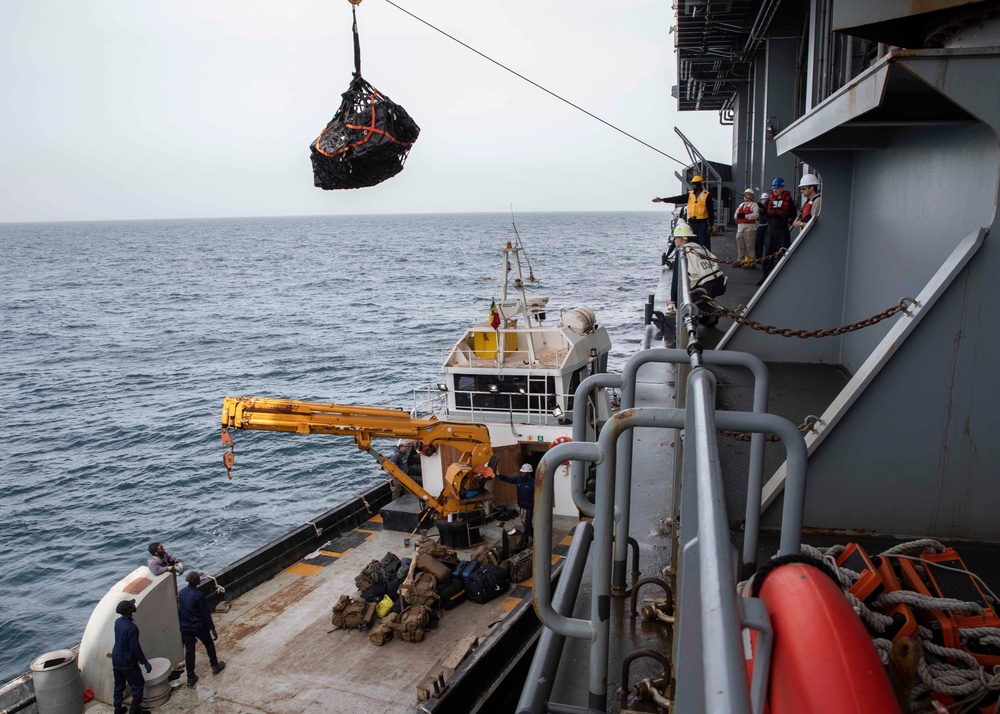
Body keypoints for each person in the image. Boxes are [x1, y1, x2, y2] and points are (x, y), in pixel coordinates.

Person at [666, 222, 727, 328]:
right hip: (720, 283)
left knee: (683, 300)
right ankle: (708, 311)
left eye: (675, 238)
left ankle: (709, 313)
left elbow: (676, 279)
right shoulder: (701, 247)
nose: (674, 241)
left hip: (706, 287)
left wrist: (673, 299)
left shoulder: (682, 252)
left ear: (682, 239)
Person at [177, 571, 225, 687]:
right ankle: (215, 666)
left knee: (189, 651)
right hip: (197, 626)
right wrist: (211, 628)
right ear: (195, 581)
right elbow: (205, 614)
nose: (200, 579)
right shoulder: (198, 595)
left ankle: (190, 677)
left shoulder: (182, 592)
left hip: (185, 627)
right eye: (198, 578)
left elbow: (180, 610)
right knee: (208, 643)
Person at [652, 175, 717, 250]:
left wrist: (710, 225)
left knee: (704, 243)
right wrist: (663, 200)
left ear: (699, 184)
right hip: (692, 223)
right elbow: (677, 199)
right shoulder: (690, 195)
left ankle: (707, 258)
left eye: (695, 184)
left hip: (702, 223)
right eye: (692, 184)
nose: (693, 186)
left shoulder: (706, 195)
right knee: (693, 243)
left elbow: (710, 211)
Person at [111, 599, 151, 714]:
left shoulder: (117, 622)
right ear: (129, 610)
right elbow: (135, 648)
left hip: (116, 659)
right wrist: (144, 662)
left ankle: (117, 708)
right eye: (132, 605)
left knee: (119, 685)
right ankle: (135, 710)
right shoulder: (132, 627)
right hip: (127, 662)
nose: (134, 605)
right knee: (138, 685)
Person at [759, 177, 796, 285]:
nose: (775, 190)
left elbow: (793, 214)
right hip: (771, 230)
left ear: (782, 188)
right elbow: (764, 215)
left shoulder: (789, 200)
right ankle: (765, 275)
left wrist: (787, 217)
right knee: (768, 252)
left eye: (777, 188)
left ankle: (782, 276)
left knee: (783, 252)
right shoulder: (769, 200)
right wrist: (762, 210)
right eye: (774, 188)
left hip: (782, 230)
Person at [496, 463, 536, 542]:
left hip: (529, 506)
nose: (523, 474)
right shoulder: (518, 479)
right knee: (524, 522)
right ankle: (535, 538)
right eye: (522, 472)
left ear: (529, 473)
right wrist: (498, 475)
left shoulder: (533, 482)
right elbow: (508, 479)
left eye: (525, 473)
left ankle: (524, 540)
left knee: (528, 523)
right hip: (521, 505)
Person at [734, 188, 760, 268]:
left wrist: (745, 216)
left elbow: (756, 215)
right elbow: (736, 214)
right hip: (740, 226)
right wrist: (737, 216)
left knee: (750, 245)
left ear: (752, 196)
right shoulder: (741, 205)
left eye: (748, 194)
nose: (746, 196)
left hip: (749, 227)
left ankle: (752, 261)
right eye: (745, 194)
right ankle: (740, 259)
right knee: (740, 244)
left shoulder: (754, 205)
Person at [754, 190, 769, 267]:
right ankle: (759, 258)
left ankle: (766, 259)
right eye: (763, 199)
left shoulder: (769, 207)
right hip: (760, 226)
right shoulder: (759, 208)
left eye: (766, 199)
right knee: (758, 243)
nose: (764, 201)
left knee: (767, 244)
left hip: (767, 227)